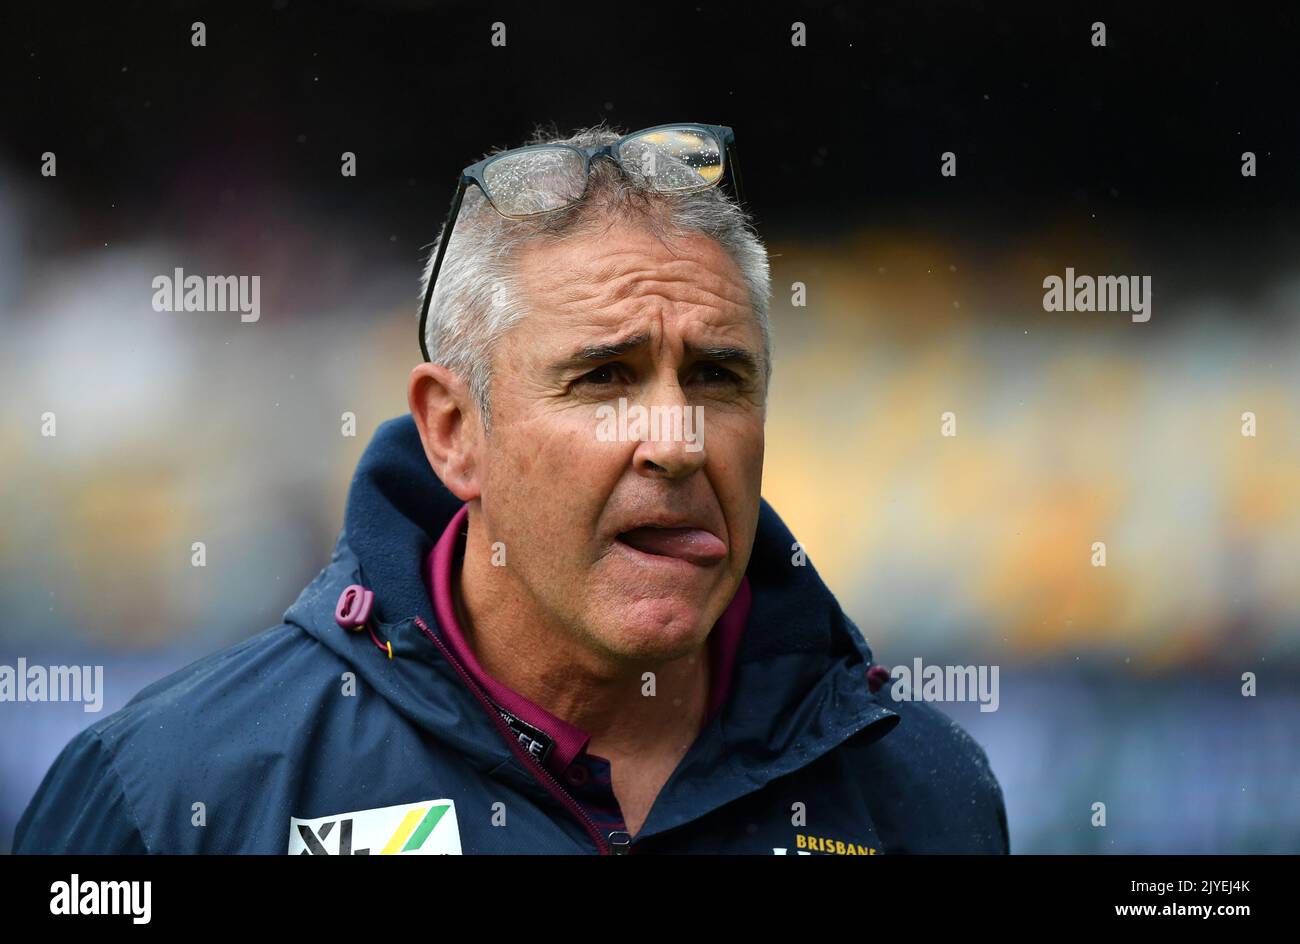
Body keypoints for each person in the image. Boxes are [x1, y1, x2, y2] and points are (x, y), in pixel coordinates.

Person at [14, 123, 1008, 854]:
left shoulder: (921, 792)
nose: (676, 439)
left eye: (717, 377)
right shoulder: (174, 792)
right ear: (455, 434)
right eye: (603, 377)